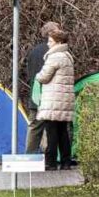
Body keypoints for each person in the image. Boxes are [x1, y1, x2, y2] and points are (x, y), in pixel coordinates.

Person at [35, 28, 75, 170]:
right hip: (64, 100)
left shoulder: (54, 57)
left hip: (53, 101)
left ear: (58, 42)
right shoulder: (67, 56)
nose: (48, 44)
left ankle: (50, 163)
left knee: (51, 132)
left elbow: (43, 77)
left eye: (50, 41)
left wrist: (37, 76)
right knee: (63, 132)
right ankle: (66, 162)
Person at [25, 21, 61, 153]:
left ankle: (29, 156)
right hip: (50, 97)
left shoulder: (33, 51)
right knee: (51, 128)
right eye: (58, 31)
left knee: (34, 128)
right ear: (51, 33)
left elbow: (29, 75)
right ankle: (48, 158)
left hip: (35, 96)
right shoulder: (54, 52)